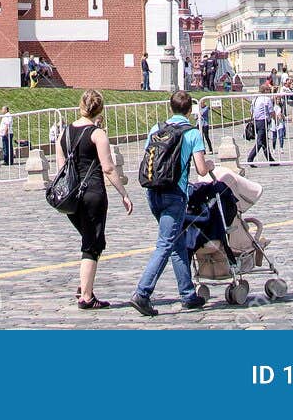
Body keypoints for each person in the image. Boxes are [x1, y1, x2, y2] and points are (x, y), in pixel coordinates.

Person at [131, 90, 210, 316]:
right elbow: (202, 169)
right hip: (175, 194)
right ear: (189, 110)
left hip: (153, 192)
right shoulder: (192, 133)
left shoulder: (157, 129)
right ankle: (142, 293)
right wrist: (211, 165)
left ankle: (188, 294)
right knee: (166, 243)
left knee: (176, 242)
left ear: (171, 108)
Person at [54, 90, 132, 309]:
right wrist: (124, 194)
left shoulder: (64, 134)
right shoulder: (97, 134)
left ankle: (84, 285)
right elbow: (108, 167)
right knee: (91, 243)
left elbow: (61, 168)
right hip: (92, 193)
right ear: (100, 110)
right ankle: (86, 296)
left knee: (94, 240)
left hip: (71, 196)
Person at [246, 85, 275, 165]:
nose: (269, 91)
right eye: (268, 90)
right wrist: (275, 119)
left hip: (256, 121)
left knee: (264, 141)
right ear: (265, 91)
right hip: (263, 121)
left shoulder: (255, 99)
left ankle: (270, 160)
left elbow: (251, 111)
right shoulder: (267, 99)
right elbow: (271, 111)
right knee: (260, 142)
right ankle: (250, 158)